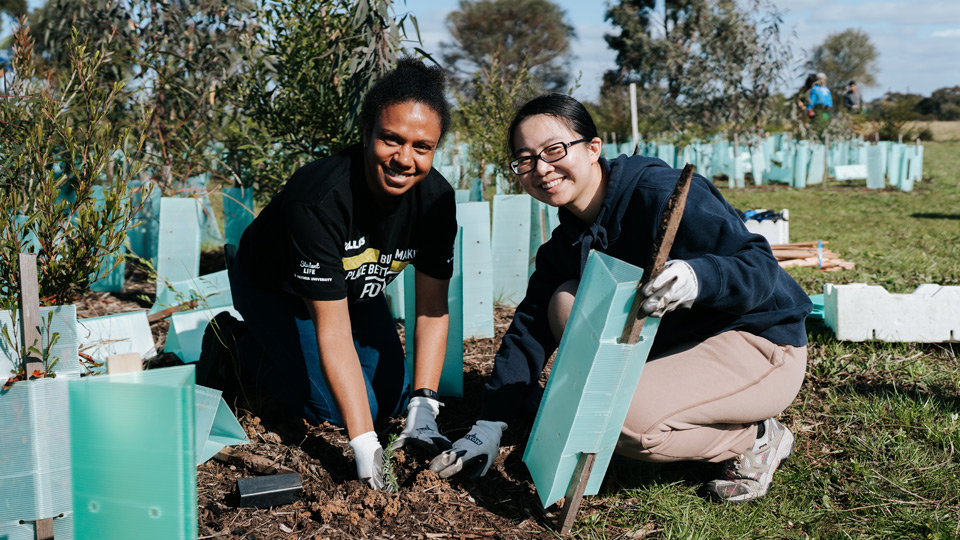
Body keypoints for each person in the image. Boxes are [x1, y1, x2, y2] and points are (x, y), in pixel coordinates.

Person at [430, 94, 812, 503]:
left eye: (554, 150)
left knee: (619, 423)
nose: (542, 169)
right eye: (525, 160)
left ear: (593, 148)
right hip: (678, 343)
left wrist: (699, 276)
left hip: (757, 339)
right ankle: (660, 400)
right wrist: (490, 423)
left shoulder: (659, 194)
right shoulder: (568, 239)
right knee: (563, 300)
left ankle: (754, 438)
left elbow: (759, 265)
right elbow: (531, 325)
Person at [225, 58, 457, 490]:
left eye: (422, 147)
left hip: (351, 289)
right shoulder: (319, 200)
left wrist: (425, 405)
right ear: (367, 134)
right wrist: (364, 444)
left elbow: (431, 310)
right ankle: (238, 347)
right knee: (337, 408)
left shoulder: (436, 203)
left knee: (393, 398)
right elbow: (332, 330)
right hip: (274, 288)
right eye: (391, 139)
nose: (405, 159)